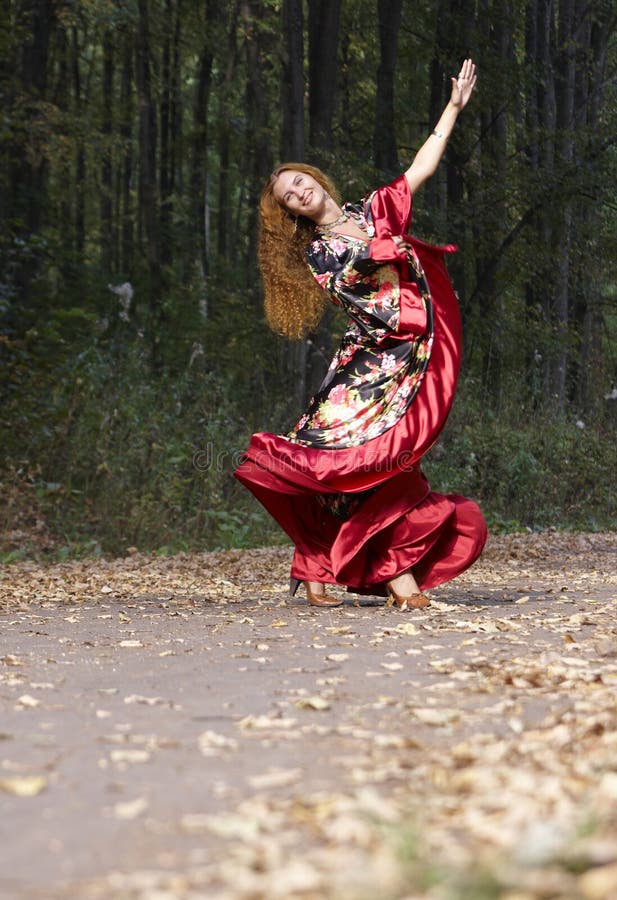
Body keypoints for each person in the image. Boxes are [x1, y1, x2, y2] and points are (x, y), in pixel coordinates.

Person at [234, 59, 487, 610]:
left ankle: (329, 570)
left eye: (300, 181)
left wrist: (452, 108)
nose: (298, 192)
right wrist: (381, 250)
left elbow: (418, 169)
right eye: (288, 196)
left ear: (316, 180)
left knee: (389, 464)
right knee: (337, 462)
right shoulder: (320, 253)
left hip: (410, 360)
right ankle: (373, 577)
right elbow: (354, 274)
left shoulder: (375, 210)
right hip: (364, 372)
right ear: (289, 213)